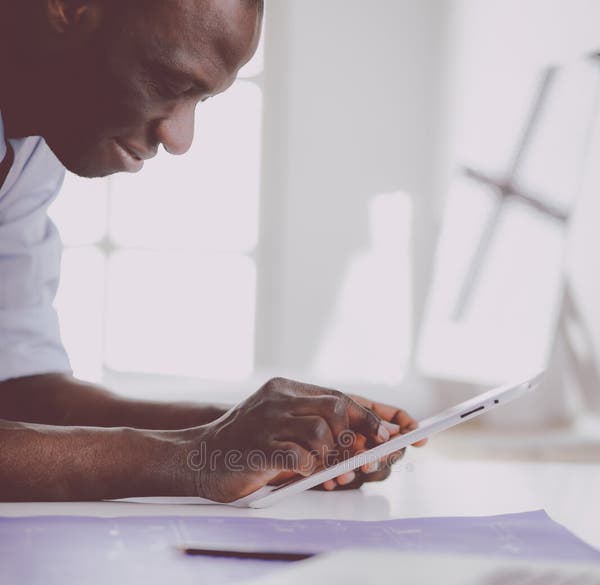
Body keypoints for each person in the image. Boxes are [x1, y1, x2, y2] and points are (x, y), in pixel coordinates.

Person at [0, 0, 424, 503]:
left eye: (201, 101)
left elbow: (18, 386)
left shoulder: (30, 152)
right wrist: (192, 456)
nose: (181, 139)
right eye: (168, 83)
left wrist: (258, 435)